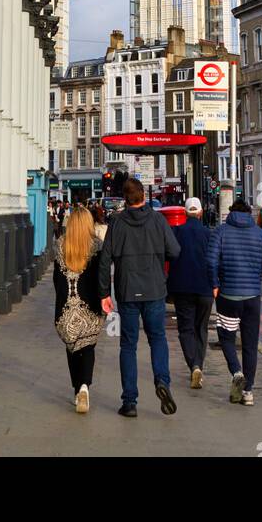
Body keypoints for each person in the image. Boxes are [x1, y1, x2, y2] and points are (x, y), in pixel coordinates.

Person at [99, 177, 181, 418]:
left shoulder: (116, 222)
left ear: (125, 198)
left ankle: (130, 401)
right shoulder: (157, 219)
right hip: (155, 289)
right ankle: (162, 381)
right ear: (143, 196)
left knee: (128, 345)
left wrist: (104, 292)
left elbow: (105, 260)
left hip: (127, 291)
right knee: (157, 338)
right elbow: (175, 251)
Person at [207, 198, 262, 407]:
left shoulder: (220, 232)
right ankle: (248, 391)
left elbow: (210, 261)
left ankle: (236, 371)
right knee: (250, 344)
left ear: (231, 213)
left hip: (227, 296)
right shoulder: (260, 234)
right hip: (252, 298)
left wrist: (215, 283)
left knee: (226, 338)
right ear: (248, 213)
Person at [53, 206, 105, 414]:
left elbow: (57, 282)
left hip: (66, 308)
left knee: (72, 347)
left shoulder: (59, 246)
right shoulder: (97, 246)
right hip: (90, 307)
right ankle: (85, 386)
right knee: (88, 347)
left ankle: (77, 389)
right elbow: (101, 280)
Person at [166, 197, 214, 389]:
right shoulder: (209, 234)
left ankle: (193, 365)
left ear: (185, 214)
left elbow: (168, 255)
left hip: (182, 288)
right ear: (200, 213)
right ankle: (198, 365)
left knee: (185, 329)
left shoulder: (176, 232)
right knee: (201, 329)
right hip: (205, 289)